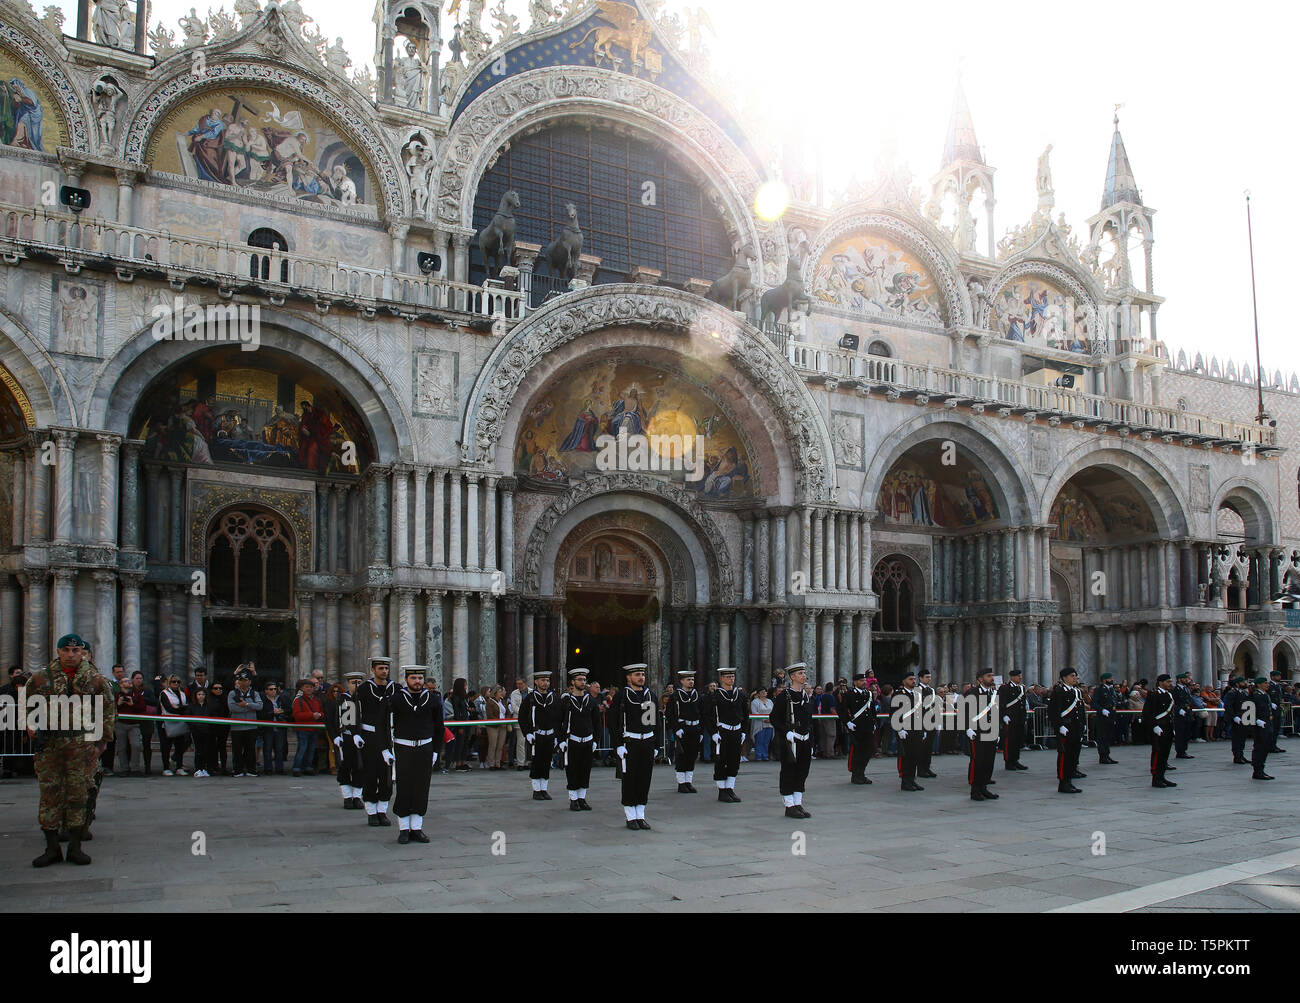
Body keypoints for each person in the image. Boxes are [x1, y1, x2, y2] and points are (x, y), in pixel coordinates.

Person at [27, 634, 115, 868]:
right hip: (50, 745)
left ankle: (75, 847)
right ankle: (52, 847)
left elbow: (107, 710)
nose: (71, 654)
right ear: (58, 651)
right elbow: (28, 704)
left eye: (75, 651)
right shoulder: (40, 678)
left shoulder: (95, 680)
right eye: (66, 650)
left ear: (82, 652)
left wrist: (102, 741)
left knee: (79, 794)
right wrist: (30, 725)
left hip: (80, 743)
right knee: (49, 794)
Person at [391, 666, 444, 843]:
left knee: (421, 787)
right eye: (413, 678)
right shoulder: (397, 698)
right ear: (407, 680)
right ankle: (404, 829)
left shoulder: (433, 699)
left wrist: (436, 750)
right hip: (404, 747)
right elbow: (385, 723)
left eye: (420, 678)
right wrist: (385, 748)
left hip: (425, 748)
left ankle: (417, 828)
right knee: (405, 787)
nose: (417, 682)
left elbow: (439, 727)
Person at [610, 663, 656, 830]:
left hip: (647, 742)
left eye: (642, 674)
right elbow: (614, 723)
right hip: (630, 742)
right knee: (630, 780)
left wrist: (655, 744)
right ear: (629, 677)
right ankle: (630, 816)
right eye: (637, 674)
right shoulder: (622, 696)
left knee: (645, 779)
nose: (641, 677)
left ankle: (641, 815)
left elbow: (652, 721)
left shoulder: (649, 695)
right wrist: (618, 745)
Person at [356, 656, 398, 825]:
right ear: (373, 670)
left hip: (390, 737)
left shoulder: (395, 688)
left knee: (387, 777)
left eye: (386, 668)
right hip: (369, 737)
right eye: (380, 668)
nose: (384, 671)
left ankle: (382, 810)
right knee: (370, 774)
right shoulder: (364, 689)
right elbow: (351, 710)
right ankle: (371, 812)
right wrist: (352, 733)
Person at [769, 662, 814, 818]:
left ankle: (798, 802)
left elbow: (809, 719)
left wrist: (810, 740)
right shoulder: (785, 696)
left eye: (803, 673)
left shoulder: (805, 695)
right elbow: (774, 718)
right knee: (789, 771)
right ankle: (789, 805)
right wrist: (786, 732)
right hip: (790, 740)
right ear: (793, 677)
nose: (803, 676)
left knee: (802, 771)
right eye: (800, 674)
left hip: (804, 738)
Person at [703, 667, 748, 802]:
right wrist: (713, 733)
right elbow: (707, 716)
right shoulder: (714, 696)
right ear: (721, 679)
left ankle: (730, 788)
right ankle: (722, 790)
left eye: (732, 677)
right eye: (728, 677)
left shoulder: (740, 695)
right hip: (722, 731)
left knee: (734, 761)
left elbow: (745, 714)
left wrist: (744, 731)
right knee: (721, 761)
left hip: (736, 731)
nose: (731, 679)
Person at [559, 668, 600, 811]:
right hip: (573, 739)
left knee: (585, 769)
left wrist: (596, 740)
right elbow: (559, 721)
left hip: (587, 739)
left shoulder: (591, 701)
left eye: (584, 680)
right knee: (572, 770)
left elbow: (597, 722)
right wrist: (561, 739)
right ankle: (573, 798)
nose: (583, 682)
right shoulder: (566, 701)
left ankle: (582, 798)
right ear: (573, 682)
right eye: (579, 680)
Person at [325, 673, 365, 808]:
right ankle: (347, 796)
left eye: (359, 682)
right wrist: (334, 737)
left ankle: (357, 796)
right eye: (354, 682)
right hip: (344, 739)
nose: (356, 685)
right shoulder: (341, 700)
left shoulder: (364, 699)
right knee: (344, 768)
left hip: (361, 739)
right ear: (348, 684)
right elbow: (330, 722)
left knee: (360, 768)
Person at [519, 669, 559, 800]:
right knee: (537, 762)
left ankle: (544, 788)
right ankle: (536, 789)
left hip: (550, 734)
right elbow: (522, 717)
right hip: (537, 735)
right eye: (543, 680)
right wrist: (527, 733)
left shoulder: (553, 697)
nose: (546, 683)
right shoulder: (530, 698)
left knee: (547, 761)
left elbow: (558, 717)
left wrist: (557, 735)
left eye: (547, 680)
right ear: (536, 682)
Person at [1049, 667, 1086, 794]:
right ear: (1064, 678)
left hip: (1076, 728)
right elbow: (1053, 712)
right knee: (1065, 755)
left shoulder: (1077, 692)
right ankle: (1063, 782)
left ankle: (1069, 780)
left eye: (1076, 676)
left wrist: (1083, 724)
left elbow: (1081, 710)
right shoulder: (1059, 691)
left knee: (1074, 755)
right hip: (1065, 728)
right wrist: (1059, 726)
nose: (1075, 678)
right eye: (1072, 676)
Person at [666, 669, 703, 792]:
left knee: (692, 755)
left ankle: (688, 781)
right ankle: (681, 782)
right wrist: (676, 728)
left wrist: (701, 730)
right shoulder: (675, 696)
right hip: (683, 728)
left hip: (695, 727)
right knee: (682, 756)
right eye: (688, 680)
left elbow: (702, 713)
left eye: (692, 679)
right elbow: (670, 714)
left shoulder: (697, 694)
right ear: (682, 681)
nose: (691, 682)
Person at [968, 668, 1000, 801]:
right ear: (980, 679)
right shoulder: (972, 693)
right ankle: (975, 790)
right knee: (978, 761)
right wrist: (968, 729)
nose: (992, 678)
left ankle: (984, 787)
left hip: (991, 732)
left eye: (992, 675)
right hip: (977, 733)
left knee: (989, 762)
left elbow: (996, 713)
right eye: (989, 676)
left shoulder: (993, 693)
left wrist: (998, 731)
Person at [839, 670, 875, 785]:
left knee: (868, 751)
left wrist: (874, 722)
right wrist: (847, 722)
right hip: (856, 727)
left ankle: (862, 773)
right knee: (857, 751)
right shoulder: (849, 694)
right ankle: (856, 775)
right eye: (861, 680)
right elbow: (842, 710)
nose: (864, 682)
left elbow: (872, 710)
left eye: (865, 680)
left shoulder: (868, 694)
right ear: (855, 682)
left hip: (868, 727)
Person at [227, 668, 263, 777]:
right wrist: (251, 707)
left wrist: (246, 705)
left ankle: (251, 769)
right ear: (238, 681)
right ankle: (237, 770)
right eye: (241, 680)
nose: (243, 682)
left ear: (250, 682)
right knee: (237, 750)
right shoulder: (233, 693)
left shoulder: (254, 693)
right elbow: (232, 708)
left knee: (250, 749)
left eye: (246, 680)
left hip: (251, 726)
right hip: (237, 727)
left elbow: (260, 706)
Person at [894, 668, 925, 791]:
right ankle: (905, 782)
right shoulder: (899, 694)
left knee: (915, 756)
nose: (913, 681)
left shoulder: (917, 694)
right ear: (904, 681)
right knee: (906, 757)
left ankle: (912, 780)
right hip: (905, 731)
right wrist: (899, 729)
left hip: (916, 730)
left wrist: (923, 730)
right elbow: (894, 714)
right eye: (910, 679)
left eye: (914, 679)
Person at [1143, 673, 1176, 788]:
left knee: (1165, 754)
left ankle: (1162, 776)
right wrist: (1154, 726)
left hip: (1167, 727)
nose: (1170, 684)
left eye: (1170, 682)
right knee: (1158, 753)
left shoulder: (1169, 695)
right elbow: (1147, 713)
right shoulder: (1154, 695)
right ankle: (1155, 778)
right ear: (1161, 683)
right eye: (1168, 682)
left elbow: (1170, 714)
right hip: (1158, 728)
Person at [115, 670, 147, 776]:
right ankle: (124, 769)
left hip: (134, 724)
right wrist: (118, 704)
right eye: (125, 681)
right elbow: (110, 709)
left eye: (129, 681)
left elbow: (143, 708)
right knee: (121, 747)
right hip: (120, 724)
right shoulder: (116, 696)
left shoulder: (137, 695)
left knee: (136, 745)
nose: (128, 683)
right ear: (120, 684)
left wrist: (132, 704)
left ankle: (135, 768)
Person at [158, 674, 190, 776]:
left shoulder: (182, 693)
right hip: (168, 722)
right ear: (169, 682)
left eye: (178, 682)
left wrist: (179, 707)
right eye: (173, 682)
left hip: (180, 722)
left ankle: (179, 767)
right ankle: (166, 768)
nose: (176, 684)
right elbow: (169, 708)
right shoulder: (164, 693)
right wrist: (181, 708)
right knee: (166, 746)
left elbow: (186, 707)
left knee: (180, 745)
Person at [998, 667, 1029, 771]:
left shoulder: (1021, 688)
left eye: (1020, 676)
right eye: (1018, 676)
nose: (1020, 678)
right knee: (1009, 741)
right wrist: (1004, 715)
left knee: (1017, 740)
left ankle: (1015, 760)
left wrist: (1024, 716)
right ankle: (1008, 761)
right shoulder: (1004, 688)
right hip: (1010, 718)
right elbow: (1001, 703)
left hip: (1019, 718)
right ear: (1012, 677)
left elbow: (1022, 703)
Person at [291, 678, 323, 776]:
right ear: (302, 688)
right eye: (307, 687)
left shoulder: (317, 700)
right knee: (302, 748)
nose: (309, 689)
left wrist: (320, 715)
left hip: (314, 728)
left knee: (311, 749)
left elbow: (322, 712)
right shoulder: (298, 701)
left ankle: (308, 767)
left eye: (311, 687)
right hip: (303, 729)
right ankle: (297, 767)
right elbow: (297, 715)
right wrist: (311, 715)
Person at [259, 680, 290, 775]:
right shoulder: (263, 700)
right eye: (271, 689)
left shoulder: (282, 699)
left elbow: (289, 710)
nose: (273, 691)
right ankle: (268, 768)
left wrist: (282, 712)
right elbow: (261, 713)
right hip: (268, 727)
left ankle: (279, 768)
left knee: (279, 749)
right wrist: (272, 712)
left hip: (279, 726)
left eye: (275, 689)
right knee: (267, 748)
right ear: (266, 691)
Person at [1091, 672, 1120, 765]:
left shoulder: (1111, 690)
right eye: (1109, 678)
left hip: (1110, 716)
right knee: (1102, 737)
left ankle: (1107, 755)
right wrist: (1102, 710)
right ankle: (1102, 756)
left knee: (1108, 737)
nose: (1111, 680)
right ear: (1104, 680)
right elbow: (1094, 703)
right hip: (1102, 717)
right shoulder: (1099, 690)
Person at [1249, 677, 1274, 780]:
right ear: (1258, 684)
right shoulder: (1255, 695)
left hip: (1267, 723)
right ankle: (1257, 771)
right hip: (1259, 725)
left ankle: (1261, 769)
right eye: (1265, 683)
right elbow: (1249, 711)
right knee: (1259, 747)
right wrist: (1256, 720)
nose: (1267, 685)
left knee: (1265, 747)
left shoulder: (1265, 694)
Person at [188, 686, 216, 777]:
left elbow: (213, 717)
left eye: (203, 694)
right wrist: (193, 727)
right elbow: (188, 718)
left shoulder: (209, 706)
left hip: (207, 731)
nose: (201, 696)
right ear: (196, 695)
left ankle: (206, 768)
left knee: (207, 750)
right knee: (198, 750)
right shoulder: (192, 706)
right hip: (196, 731)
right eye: (199, 694)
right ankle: (198, 768)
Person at [916, 668, 938, 779]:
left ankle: (926, 767)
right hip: (922, 722)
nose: (929, 679)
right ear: (920, 678)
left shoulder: (931, 690)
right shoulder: (917, 690)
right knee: (921, 748)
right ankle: (920, 769)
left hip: (931, 721)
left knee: (929, 747)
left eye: (930, 677)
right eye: (927, 677)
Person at [1225, 675, 1251, 765]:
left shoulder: (1243, 693)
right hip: (1236, 718)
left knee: (1242, 738)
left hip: (1243, 718)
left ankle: (1241, 755)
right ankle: (1237, 756)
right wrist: (1233, 716)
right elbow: (1228, 706)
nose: (1245, 684)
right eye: (1243, 682)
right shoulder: (1232, 692)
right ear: (1237, 684)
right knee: (1237, 738)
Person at [484, 685, 509, 769]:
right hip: (493, 726)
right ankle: (491, 763)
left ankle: (498, 763)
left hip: (503, 725)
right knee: (493, 745)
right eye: (500, 691)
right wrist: (500, 721)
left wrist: (506, 720)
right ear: (495, 693)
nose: (502, 693)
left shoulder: (503, 701)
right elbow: (490, 715)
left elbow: (507, 712)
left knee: (500, 745)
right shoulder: (490, 702)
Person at [1172, 671, 1195, 760]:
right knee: (1180, 733)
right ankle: (1180, 751)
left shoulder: (1187, 689)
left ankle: (1184, 750)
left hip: (1187, 712)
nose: (1187, 680)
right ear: (1179, 679)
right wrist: (1178, 710)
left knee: (1187, 733)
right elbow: (1173, 702)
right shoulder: (1175, 690)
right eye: (1185, 678)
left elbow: (1189, 700)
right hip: (1180, 714)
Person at [509, 676, 529, 769]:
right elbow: (514, 707)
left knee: (529, 742)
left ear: (525, 683)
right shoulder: (514, 693)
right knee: (521, 742)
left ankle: (527, 762)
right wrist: (523, 713)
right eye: (517, 684)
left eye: (521, 684)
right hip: (519, 719)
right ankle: (521, 763)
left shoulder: (532, 692)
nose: (519, 686)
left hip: (530, 720)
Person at [750, 687, 773, 762]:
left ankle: (765, 755)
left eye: (765, 692)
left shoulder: (770, 701)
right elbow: (754, 712)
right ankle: (759, 756)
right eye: (762, 692)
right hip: (759, 723)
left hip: (770, 724)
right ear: (758, 694)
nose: (764, 693)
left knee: (767, 741)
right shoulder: (755, 702)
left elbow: (773, 711)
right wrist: (764, 719)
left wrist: (770, 719)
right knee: (759, 740)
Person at [1268, 670, 1287, 754]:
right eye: (1277, 676)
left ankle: (1274, 745)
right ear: (1272, 677)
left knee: (1276, 728)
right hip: (1272, 710)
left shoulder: (1278, 686)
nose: (1279, 677)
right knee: (1272, 728)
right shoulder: (1269, 686)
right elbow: (1267, 696)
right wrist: (1270, 704)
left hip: (1278, 709)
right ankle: (1270, 746)